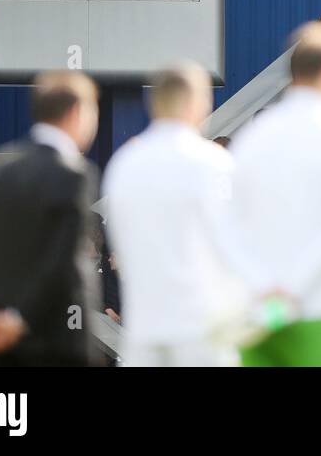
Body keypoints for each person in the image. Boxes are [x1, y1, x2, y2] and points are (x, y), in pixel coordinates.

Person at [227, 26, 321, 366]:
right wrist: (291, 290)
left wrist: (269, 292)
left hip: (260, 308)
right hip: (320, 305)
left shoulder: (253, 138)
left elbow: (232, 224)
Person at [102, 62, 248, 367]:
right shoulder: (215, 165)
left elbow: (120, 245)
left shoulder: (125, 165)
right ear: (198, 103)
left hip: (144, 329)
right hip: (202, 330)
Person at [0, 71, 100, 365]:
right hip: (58, 347)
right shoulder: (73, 174)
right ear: (77, 112)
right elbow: (62, 260)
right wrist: (19, 319)